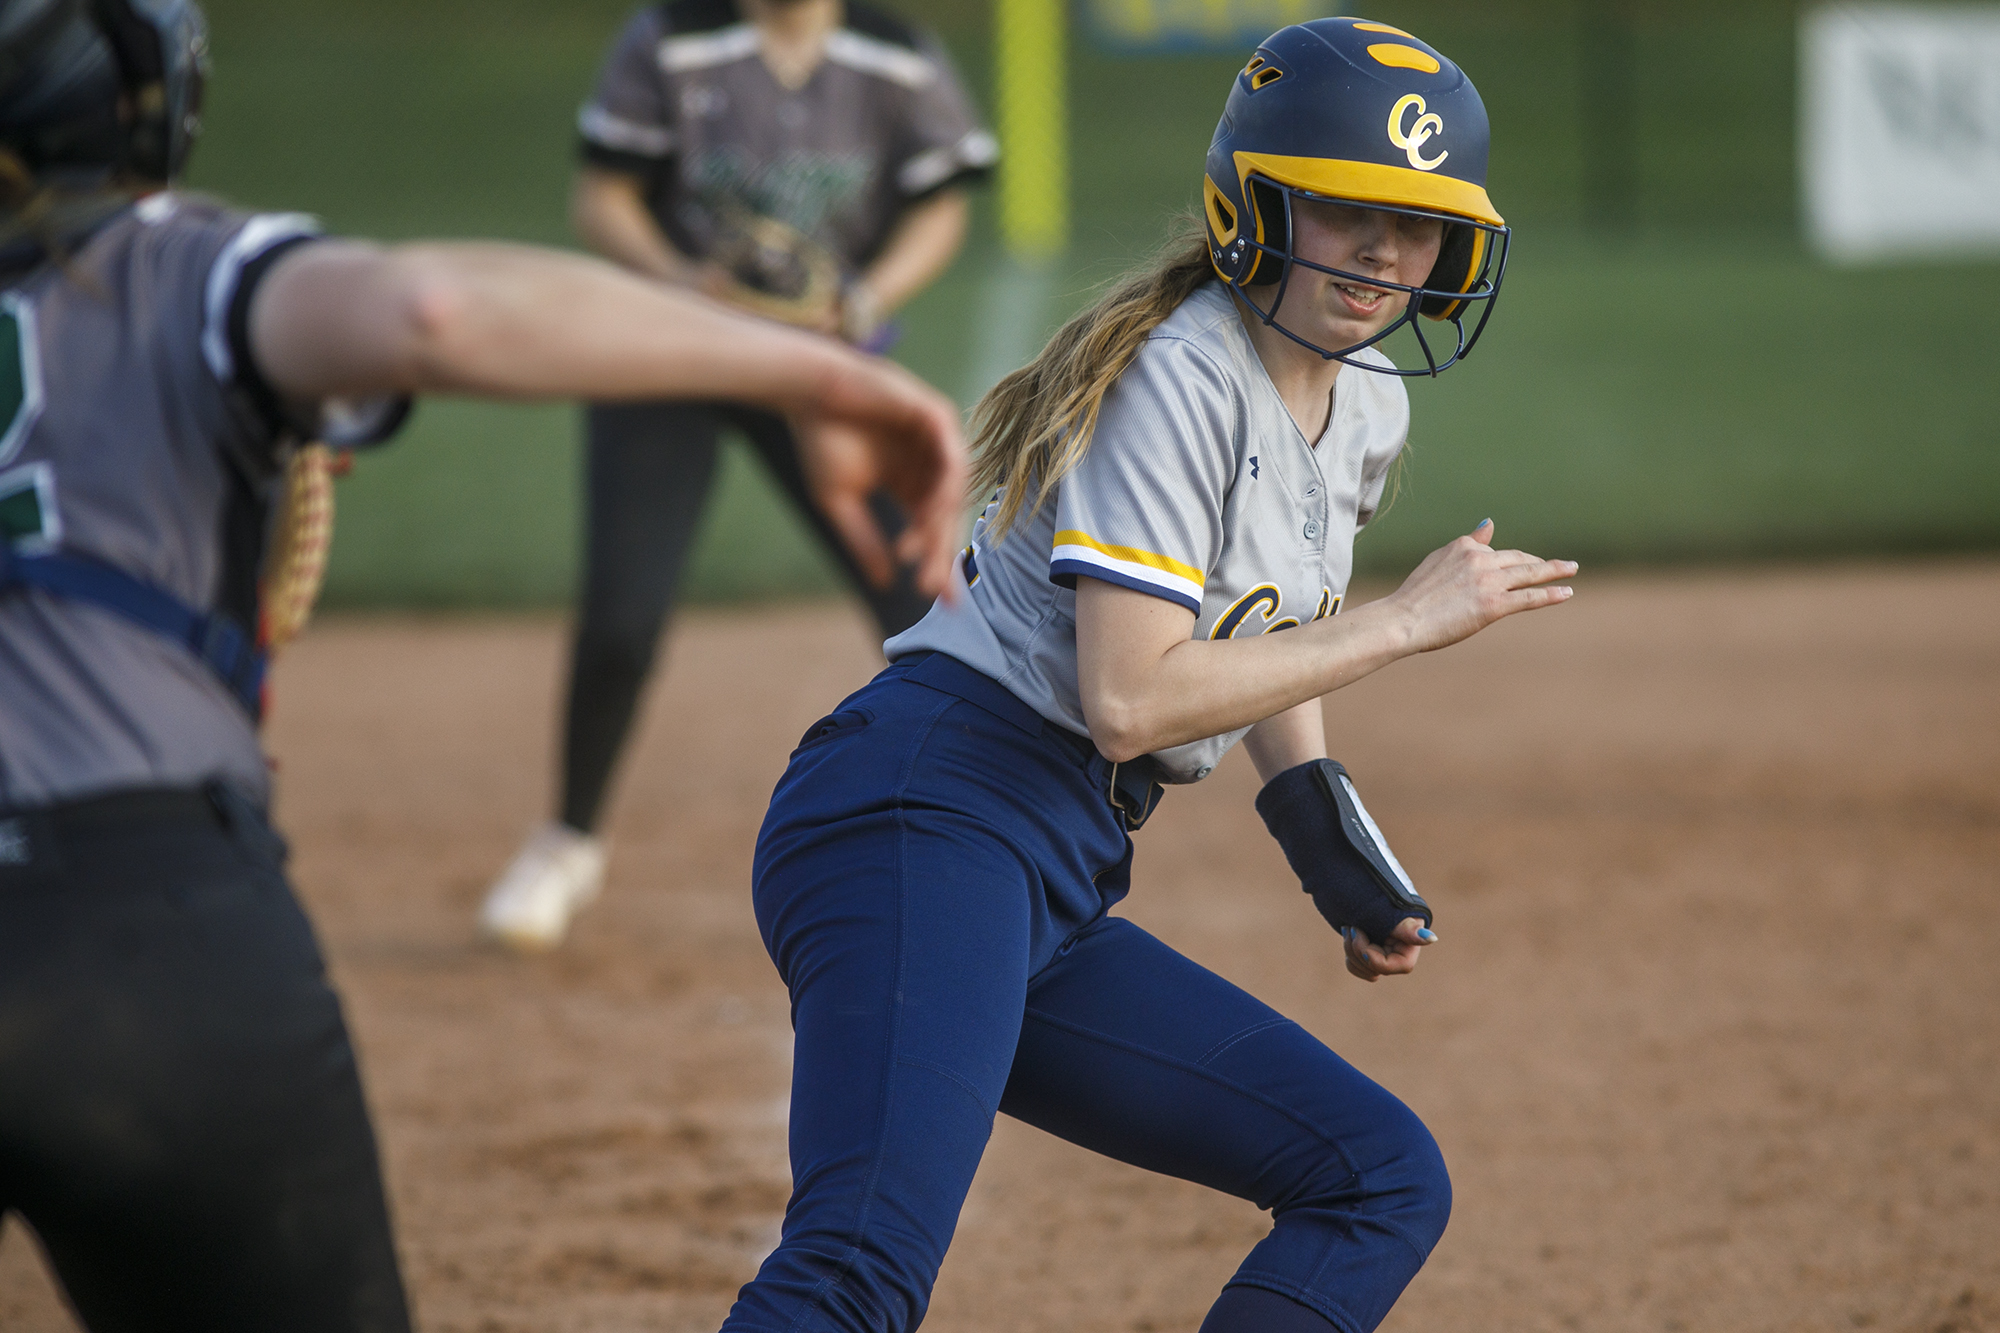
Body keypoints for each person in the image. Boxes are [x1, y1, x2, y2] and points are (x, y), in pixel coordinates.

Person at [0, 1, 964, 1328]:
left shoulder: (890, 53)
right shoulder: (173, 261)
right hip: (143, 916)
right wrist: (831, 377)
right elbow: (438, 309)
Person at [735, 19, 1574, 1333]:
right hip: (926, 811)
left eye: (1417, 224)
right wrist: (1406, 624)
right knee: (856, 1272)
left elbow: (1265, 629)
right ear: (1256, 201)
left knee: (1377, 1178)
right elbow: (1131, 696)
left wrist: (1328, 840)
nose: (1385, 253)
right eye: (1350, 209)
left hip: (1050, 867)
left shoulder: (1365, 403)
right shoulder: (1176, 379)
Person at [477, 0, 995, 951]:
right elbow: (601, 198)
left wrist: (865, 295)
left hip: (817, 356)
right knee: (623, 616)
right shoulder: (672, 36)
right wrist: (685, 282)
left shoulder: (895, 55)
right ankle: (568, 839)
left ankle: (988, 826)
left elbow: (944, 201)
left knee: (917, 591)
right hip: (668, 348)